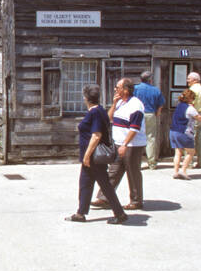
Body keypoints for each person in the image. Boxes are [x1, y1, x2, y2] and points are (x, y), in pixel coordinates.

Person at [68, 85, 127, 224]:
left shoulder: (94, 113)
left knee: (104, 185)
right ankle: (80, 213)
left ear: (86, 98)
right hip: (92, 157)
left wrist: (86, 156)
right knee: (85, 183)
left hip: (94, 157)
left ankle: (120, 214)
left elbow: (96, 135)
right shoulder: (100, 110)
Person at [99, 77, 146, 209]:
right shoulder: (121, 103)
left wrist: (125, 144)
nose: (115, 89)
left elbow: (134, 128)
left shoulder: (136, 105)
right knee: (113, 171)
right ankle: (105, 197)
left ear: (126, 90)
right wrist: (114, 104)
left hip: (132, 145)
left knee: (132, 172)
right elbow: (108, 118)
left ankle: (136, 201)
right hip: (119, 143)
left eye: (118, 87)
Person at [169, 88, 201, 178]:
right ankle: (183, 171)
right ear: (190, 99)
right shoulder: (190, 108)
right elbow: (199, 118)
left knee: (178, 152)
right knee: (191, 152)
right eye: (193, 98)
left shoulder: (179, 106)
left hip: (173, 131)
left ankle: (175, 171)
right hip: (183, 132)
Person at [133, 72, 166, 170]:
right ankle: (152, 163)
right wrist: (157, 114)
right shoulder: (155, 90)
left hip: (137, 114)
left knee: (137, 137)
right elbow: (160, 105)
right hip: (150, 114)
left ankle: (137, 163)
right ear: (150, 79)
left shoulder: (135, 89)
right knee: (150, 138)